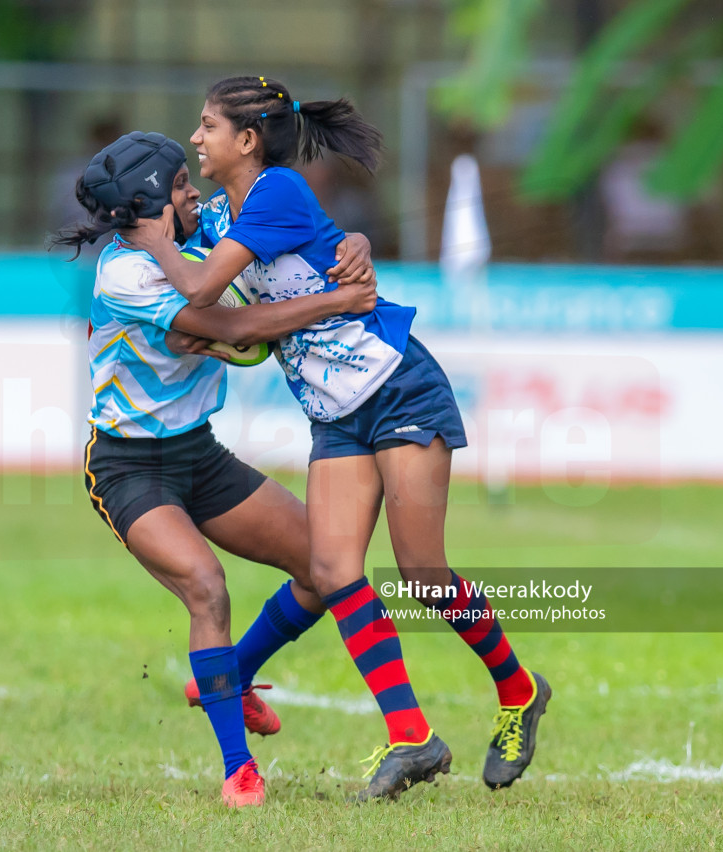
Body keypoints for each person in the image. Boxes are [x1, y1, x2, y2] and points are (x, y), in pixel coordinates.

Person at [130, 77, 552, 800]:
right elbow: (208, 259)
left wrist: (149, 242)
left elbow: (200, 290)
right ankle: (411, 737)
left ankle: (518, 692)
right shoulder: (230, 211)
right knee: (331, 570)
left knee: (422, 571)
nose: (196, 139)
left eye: (206, 126)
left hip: (397, 388)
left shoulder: (275, 193)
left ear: (248, 140)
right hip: (335, 413)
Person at [53, 131, 379, 808]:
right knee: (207, 586)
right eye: (178, 185)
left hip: (198, 454)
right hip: (126, 468)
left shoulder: (213, 228)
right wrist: (338, 303)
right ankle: (239, 770)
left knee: (327, 568)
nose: (193, 189)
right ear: (150, 205)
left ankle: (229, 673)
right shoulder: (125, 275)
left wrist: (354, 243)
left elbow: (288, 228)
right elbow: (234, 331)